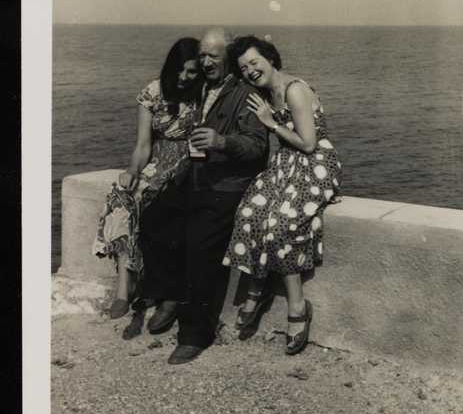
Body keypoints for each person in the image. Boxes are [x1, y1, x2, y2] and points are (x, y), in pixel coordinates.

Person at [138, 27, 270, 365]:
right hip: (193, 177)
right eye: (203, 55)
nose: (207, 61)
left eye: (214, 56)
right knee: (152, 219)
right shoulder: (200, 86)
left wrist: (221, 141)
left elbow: (257, 145)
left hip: (225, 186)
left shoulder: (246, 93)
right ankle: (169, 296)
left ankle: (195, 334)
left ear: (228, 59)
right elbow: (165, 89)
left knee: (199, 248)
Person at [223, 35, 342, 355]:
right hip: (286, 164)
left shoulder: (295, 90)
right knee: (249, 212)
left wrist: (269, 122)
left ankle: (298, 307)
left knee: (282, 221)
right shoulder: (264, 92)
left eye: (254, 62)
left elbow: (308, 143)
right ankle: (257, 289)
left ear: (270, 58)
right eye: (243, 67)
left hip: (315, 164)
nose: (249, 70)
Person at [93, 37, 203, 329]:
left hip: (188, 164)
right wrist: (131, 171)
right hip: (157, 159)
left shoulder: (202, 93)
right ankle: (124, 287)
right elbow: (143, 144)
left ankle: (157, 290)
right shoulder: (152, 92)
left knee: (158, 204)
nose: (184, 77)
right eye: (180, 70)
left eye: (191, 71)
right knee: (121, 198)